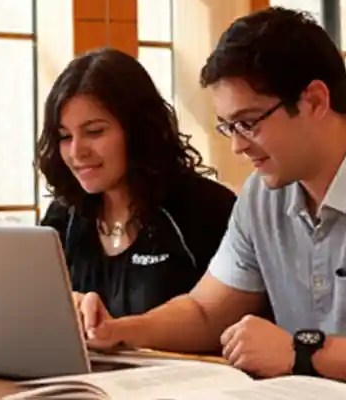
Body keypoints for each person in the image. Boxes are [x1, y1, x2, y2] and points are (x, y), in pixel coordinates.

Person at [77, 8, 346, 394]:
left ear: (314, 100)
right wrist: (119, 331)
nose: (237, 146)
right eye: (227, 127)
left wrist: (302, 353)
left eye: (248, 123)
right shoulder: (262, 197)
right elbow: (205, 311)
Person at [37, 47, 236, 319]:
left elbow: (224, 319)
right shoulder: (64, 217)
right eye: (64, 136)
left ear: (138, 129)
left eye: (94, 132)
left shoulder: (206, 211)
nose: (76, 152)